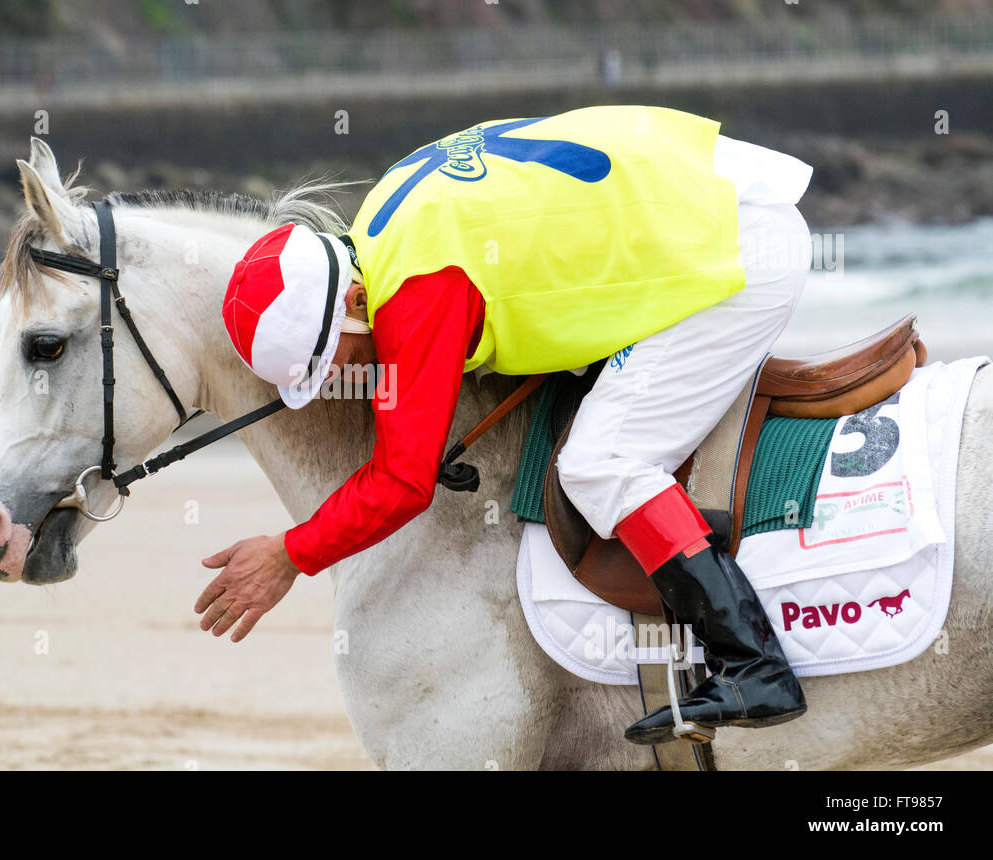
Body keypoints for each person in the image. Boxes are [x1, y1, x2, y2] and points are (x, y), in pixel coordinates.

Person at [196, 105, 812, 744]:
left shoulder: (415, 293)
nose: (339, 385)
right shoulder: (381, 218)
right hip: (716, 189)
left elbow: (403, 481)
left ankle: (753, 664)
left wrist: (289, 555)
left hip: (742, 252)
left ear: (355, 300)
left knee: (601, 465)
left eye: (335, 363)